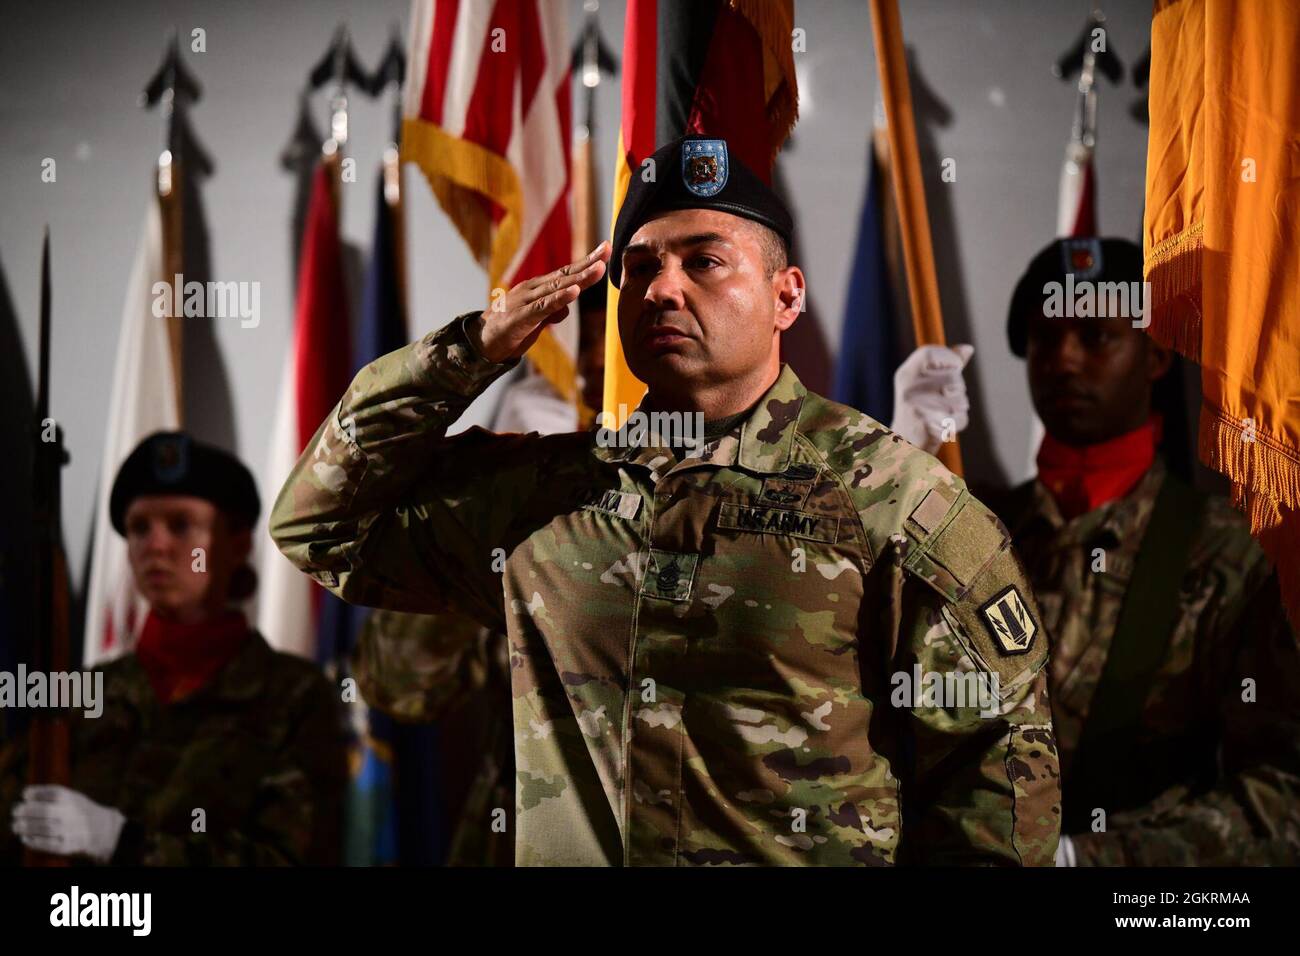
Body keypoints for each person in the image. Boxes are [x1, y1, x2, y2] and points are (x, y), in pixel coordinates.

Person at [272, 136, 1061, 866]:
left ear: (787, 298)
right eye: (640, 268)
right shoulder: (546, 495)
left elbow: (999, 775)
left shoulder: (891, 497)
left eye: (705, 262)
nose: (663, 289)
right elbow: (318, 526)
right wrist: (468, 352)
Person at [993, 237, 1300, 866]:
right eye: (1045, 338)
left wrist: (1091, 859)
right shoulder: (973, 529)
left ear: (1157, 353)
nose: (1064, 361)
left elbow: (1283, 795)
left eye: (1096, 334)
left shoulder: (1232, 557)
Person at [3, 432, 347, 865]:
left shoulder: (294, 696)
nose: (156, 546)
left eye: (181, 524)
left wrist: (121, 841)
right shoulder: (82, 694)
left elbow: (293, 858)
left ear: (237, 544)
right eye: (139, 528)